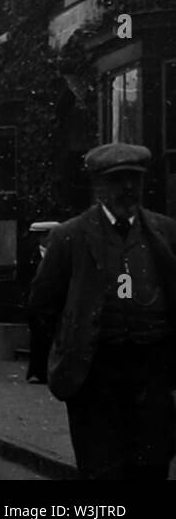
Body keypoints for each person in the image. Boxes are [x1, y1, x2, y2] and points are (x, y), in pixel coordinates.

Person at [29, 143, 176, 480]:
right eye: (117, 179)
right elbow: (42, 305)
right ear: (98, 185)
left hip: (151, 371)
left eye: (135, 179)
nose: (128, 187)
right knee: (102, 469)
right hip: (95, 374)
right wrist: (73, 343)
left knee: (151, 466)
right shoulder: (70, 236)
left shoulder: (165, 231)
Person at [18, 221, 58, 383]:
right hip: (36, 303)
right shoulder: (30, 256)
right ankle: (39, 371)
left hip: (55, 302)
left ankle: (52, 371)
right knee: (39, 338)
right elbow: (23, 278)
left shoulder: (60, 254)